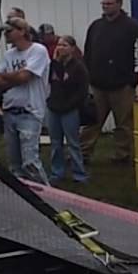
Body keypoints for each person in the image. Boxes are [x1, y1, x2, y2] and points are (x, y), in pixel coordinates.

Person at [81, 0, 138, 165]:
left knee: (123, 124)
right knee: (92, 121)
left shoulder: (132, 26)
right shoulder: (96, 26)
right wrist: (87, 76)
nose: (105, 7)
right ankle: (83, 153)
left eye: (109, 4)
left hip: (122, 85)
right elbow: (88, 52)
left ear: (119, 4)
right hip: (98, 83)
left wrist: (135, 79)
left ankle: (122, 155)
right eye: (103, 4)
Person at [0, 17, 51, 183]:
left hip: (29, 111)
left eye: (9, 31)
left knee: (30, 162)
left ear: (22, 31)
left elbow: (25, 76)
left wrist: (8, 77)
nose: (6, 35)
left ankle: (48, 195)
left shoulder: (38, 50)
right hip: (10, 110)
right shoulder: (9, 54)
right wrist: (13, 77)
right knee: (15, 164)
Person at [46, 35, 89, 184]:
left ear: (72, 48)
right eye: (59, 45)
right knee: (56, 142)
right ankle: (57, 172)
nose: (60, 48)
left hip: (70, 109)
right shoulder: (53, 65)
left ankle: (79, 174)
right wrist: (55, 61)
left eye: (64, 45)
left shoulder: (78, 67)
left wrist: (70, 105)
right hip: (53, 108)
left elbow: (82, 90)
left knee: (73, 142)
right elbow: (50, 81)